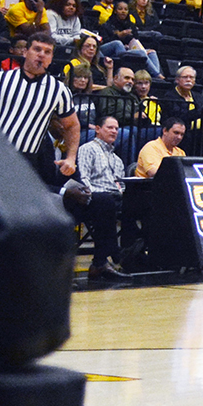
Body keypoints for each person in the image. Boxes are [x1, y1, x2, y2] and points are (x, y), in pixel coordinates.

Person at [0, 39, 81, 198]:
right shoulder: (1, 78)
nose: (41, 55)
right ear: (26, 52)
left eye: (47, 52)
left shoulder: (59, 90)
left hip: (26, 160)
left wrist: (71, 157)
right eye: (37, 49)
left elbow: (72, 125)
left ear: (51, 58)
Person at [73, 115, 131, 282]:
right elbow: (83, 179)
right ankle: (114, 255)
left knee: (142, 201)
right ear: (97, 129)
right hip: (93, 198)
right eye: (110, 127)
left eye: (116, 128)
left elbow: (120, 185)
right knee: (106, 201)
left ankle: (136, 252)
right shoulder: (87, 149)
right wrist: (96, 194)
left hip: (115, 197)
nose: (114, 131)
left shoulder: (117, 159)